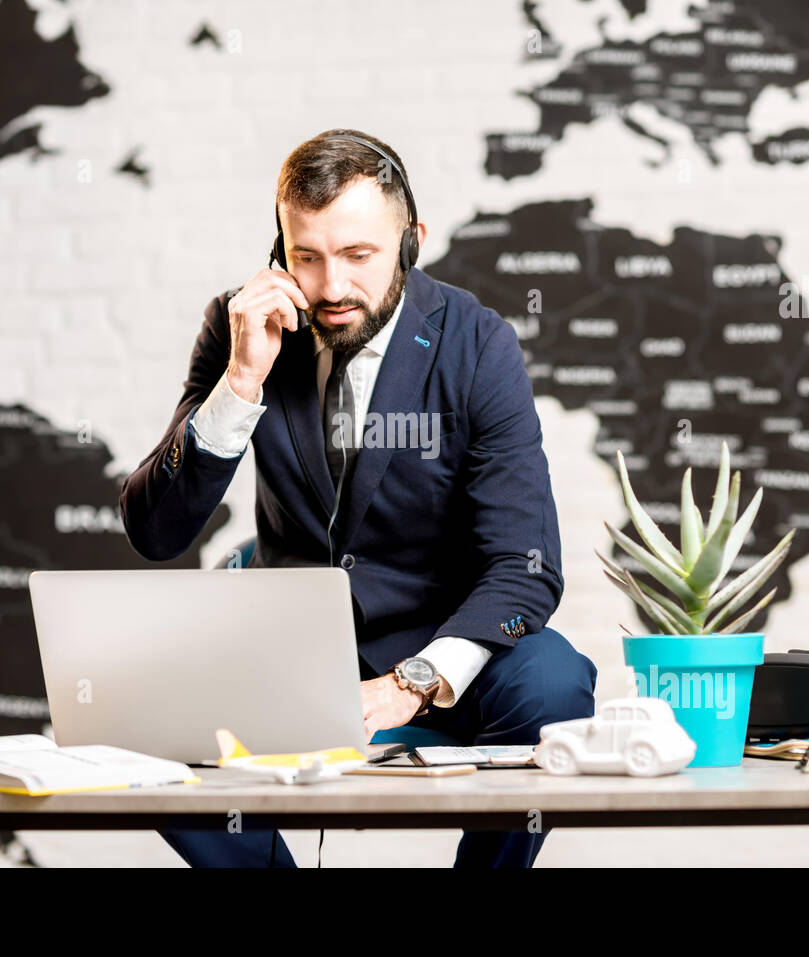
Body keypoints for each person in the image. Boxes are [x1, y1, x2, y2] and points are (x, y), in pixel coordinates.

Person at [118, 128, 596, 867]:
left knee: (556, 682)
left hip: (440, 644)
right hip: (287, 643)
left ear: (411, 241)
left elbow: (525, 567)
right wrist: (240, 382)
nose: (332, 288)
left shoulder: (478, 344)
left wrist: (415, 680)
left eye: (358, 256)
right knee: (135, 692)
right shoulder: (237, 327)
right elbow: (155, 530)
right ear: (278, 252)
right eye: (305, 257)